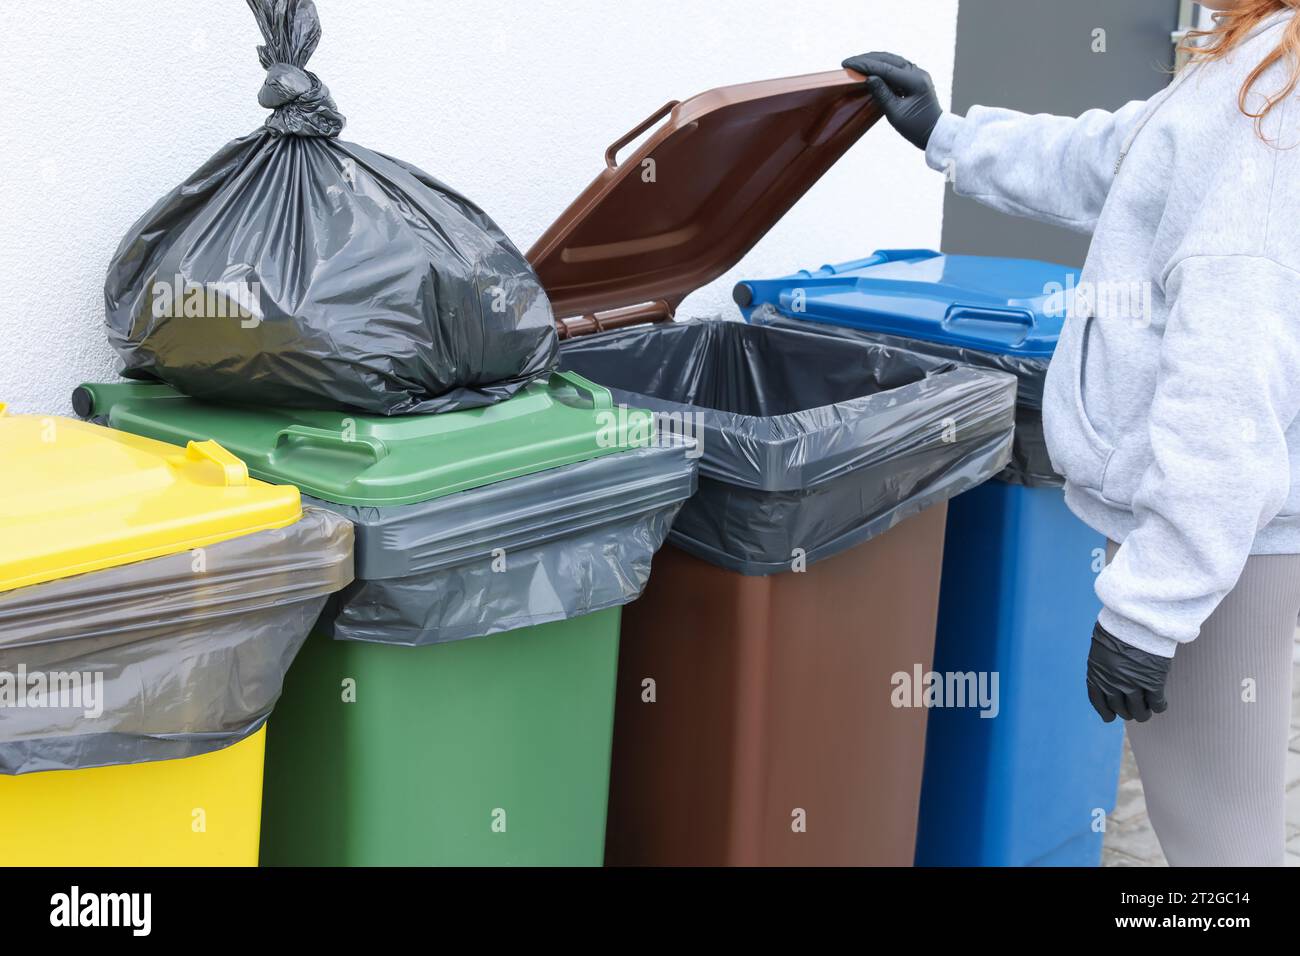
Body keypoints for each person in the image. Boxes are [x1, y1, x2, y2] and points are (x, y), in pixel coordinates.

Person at [846, 0, 1300, 867]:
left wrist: (1151, 608)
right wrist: (947, 135)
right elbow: (1120, 158)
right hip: (1236, 539)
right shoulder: (1256, 63)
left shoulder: (1271, 100)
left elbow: (1229, 386)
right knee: (1216, 829)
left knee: (1219, 847)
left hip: (1222, 546)